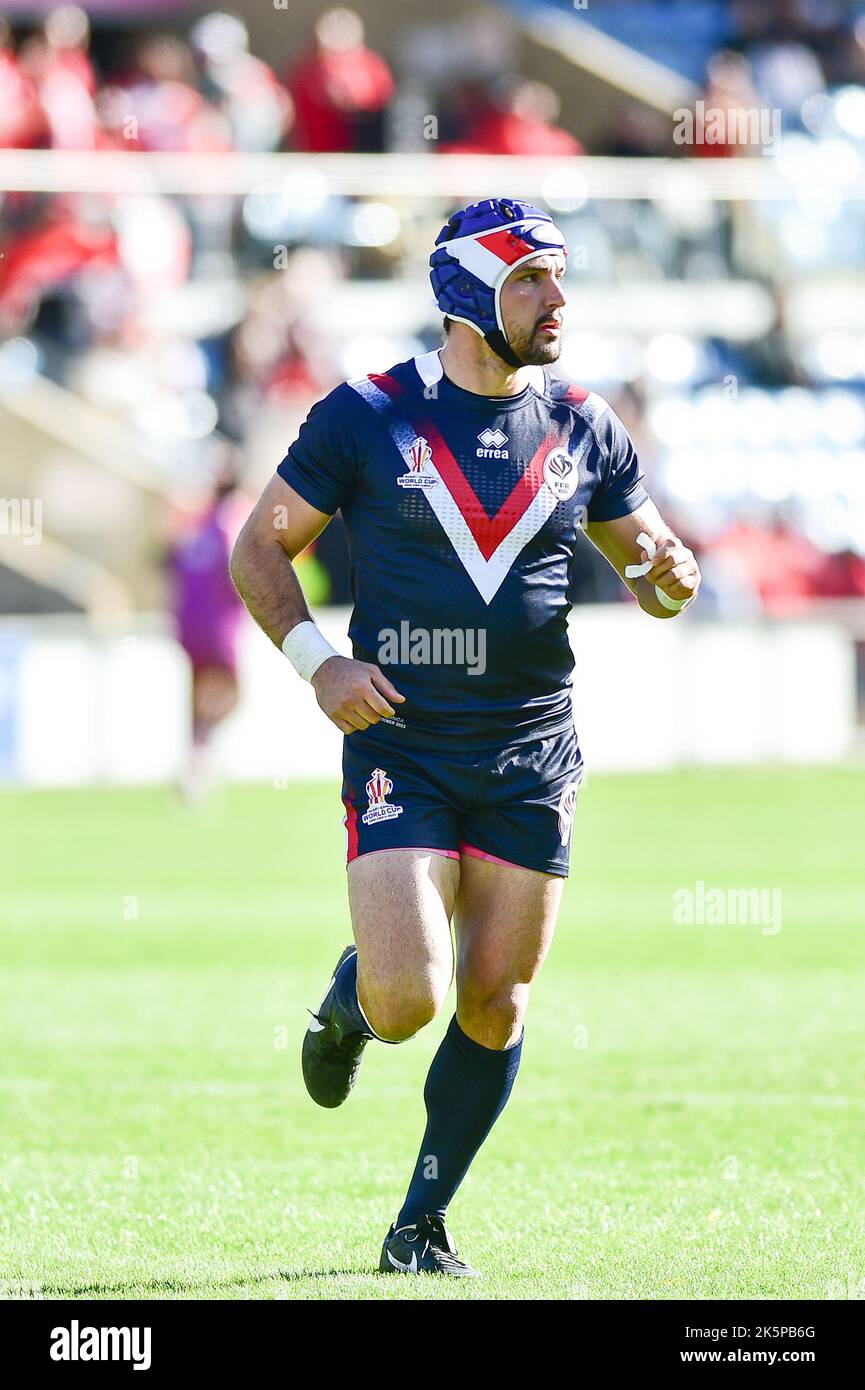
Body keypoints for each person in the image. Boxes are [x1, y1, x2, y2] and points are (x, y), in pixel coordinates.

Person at [230, 197, 701, 1276]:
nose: (557, 299)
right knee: (410, 998)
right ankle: (353, 1002)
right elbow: (259, 550)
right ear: (465, 293)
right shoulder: (364, 414)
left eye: (559, 276)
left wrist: (672, 577)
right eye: (530, 278)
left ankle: (420, 1225)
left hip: (534, 749)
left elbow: (657, 574)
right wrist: (319, 663)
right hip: (402, 739)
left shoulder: (586, 420)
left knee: (497, 998)